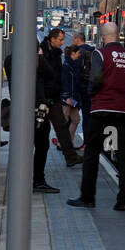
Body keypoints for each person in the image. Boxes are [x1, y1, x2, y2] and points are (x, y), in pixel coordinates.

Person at [68, 21, 125, 211]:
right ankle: (123, 201)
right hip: (124, 110)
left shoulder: (100, 54)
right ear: (118, 35)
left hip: (101, 109)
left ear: (102, 37)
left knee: (92, 152)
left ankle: (88, 197)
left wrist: (94, 95)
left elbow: (95, 78)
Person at [36, 28, 83, 191]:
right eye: (61, 40)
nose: (63, 43)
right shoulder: (43, 51)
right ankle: (37, 179)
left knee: (62, 125)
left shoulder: (54, 52)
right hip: (45, 97)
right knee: (43, 138)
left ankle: (70, 156)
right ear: (52, 39)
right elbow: (46, 74)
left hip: (53, 96)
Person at [60, 45, 82, 146]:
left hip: (74, 98)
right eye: (78, 53)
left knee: (76, 119)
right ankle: (63, 143)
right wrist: (66, 96)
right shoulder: (67, 65)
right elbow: (64, 82)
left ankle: (68, 141)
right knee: (65, 121)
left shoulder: (75, 65)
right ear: (73, 53)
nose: (79, 54)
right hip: (68, 98)